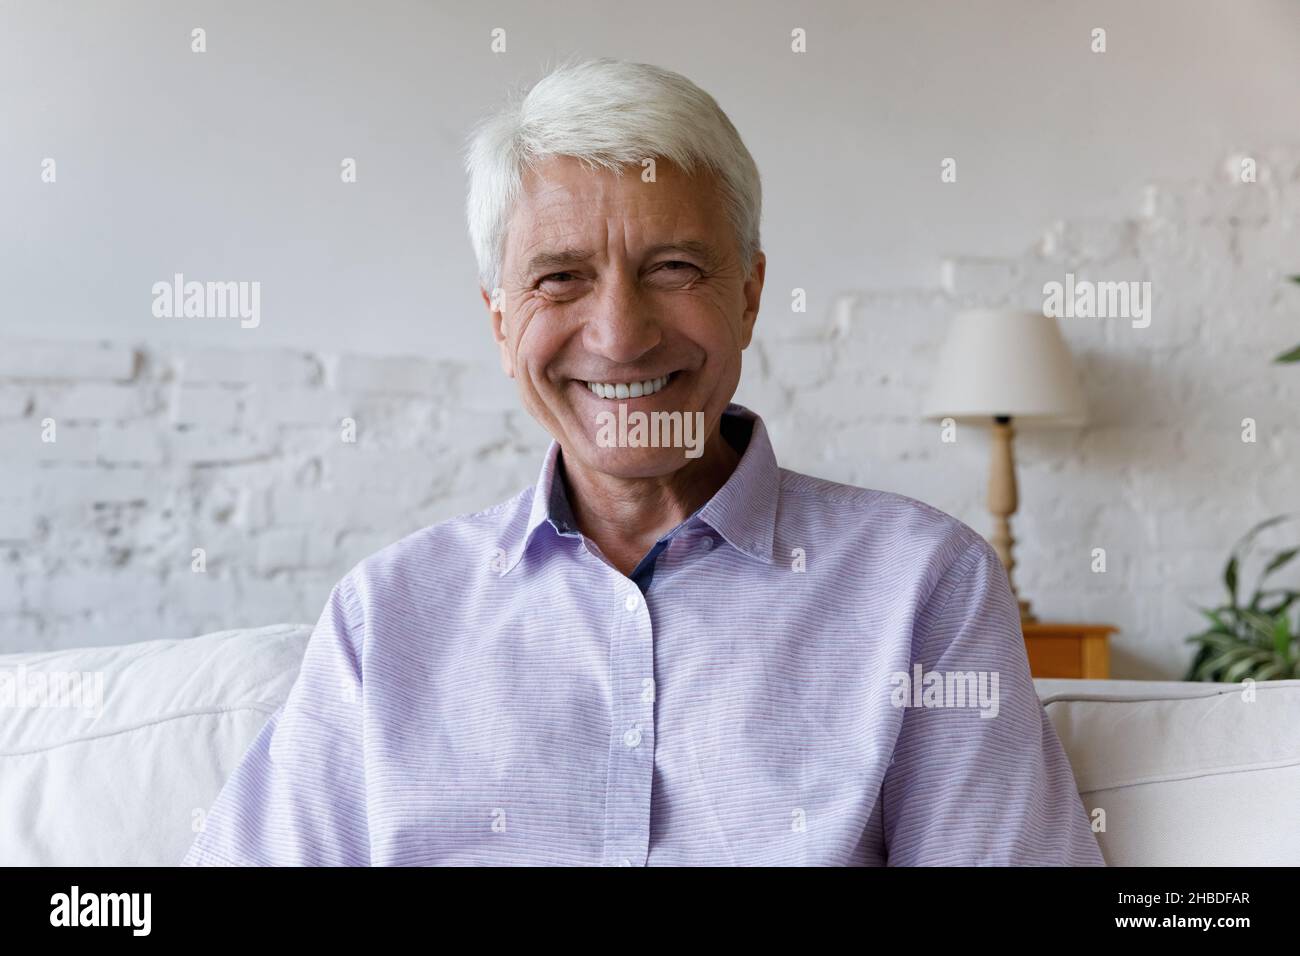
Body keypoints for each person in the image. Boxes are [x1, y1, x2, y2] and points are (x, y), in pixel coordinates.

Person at [181, 57, 1104, 866]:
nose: (620, 336)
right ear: (502, 323)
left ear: (748, 296)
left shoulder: (922, 588)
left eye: (673, 268)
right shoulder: (386, 618)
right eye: (559, 277)